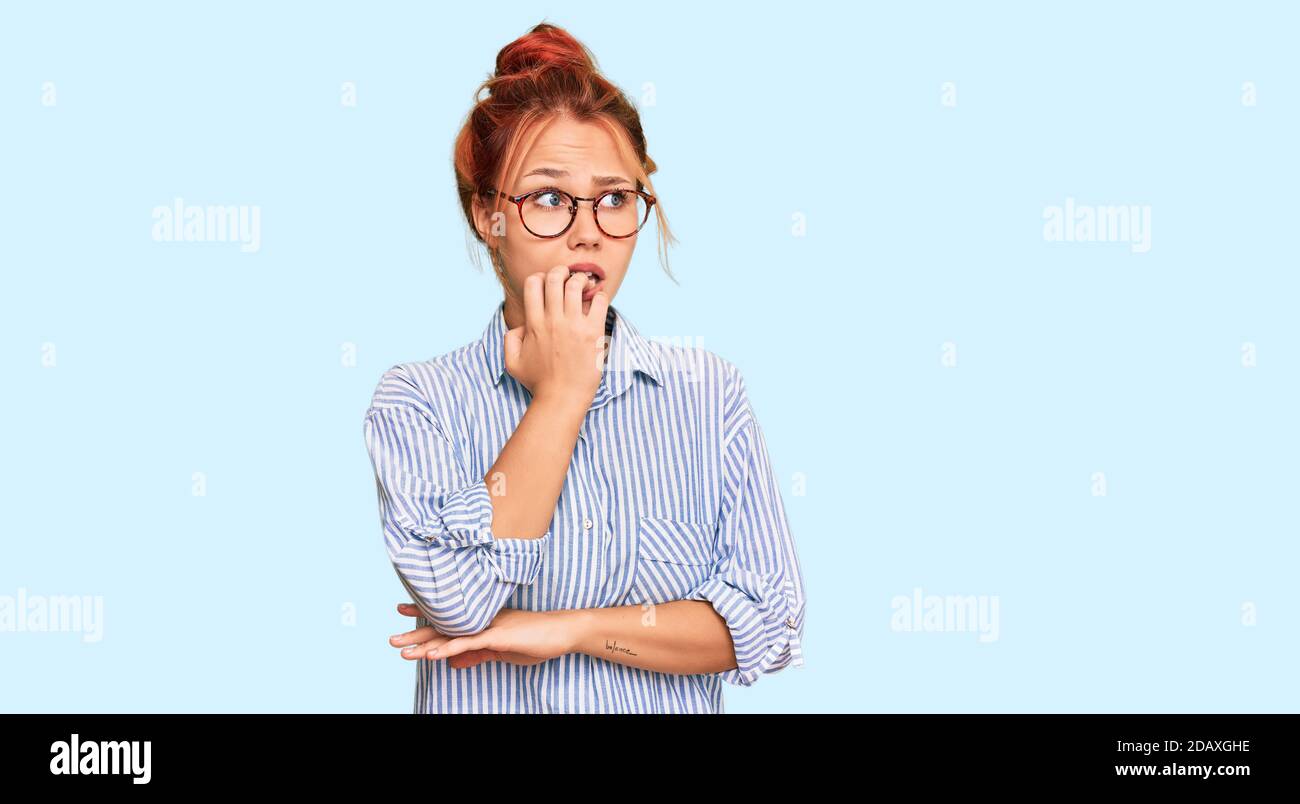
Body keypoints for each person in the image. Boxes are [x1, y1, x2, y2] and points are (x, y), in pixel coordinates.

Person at [363, 21, 805, 713]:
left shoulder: (707, 394)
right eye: (547, 198)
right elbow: (458, 602)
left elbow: (770, 622)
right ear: (488, 216)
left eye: (615, 198)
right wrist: (562, 393)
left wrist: (569, 630)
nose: (587, 228)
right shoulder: (418, 402)